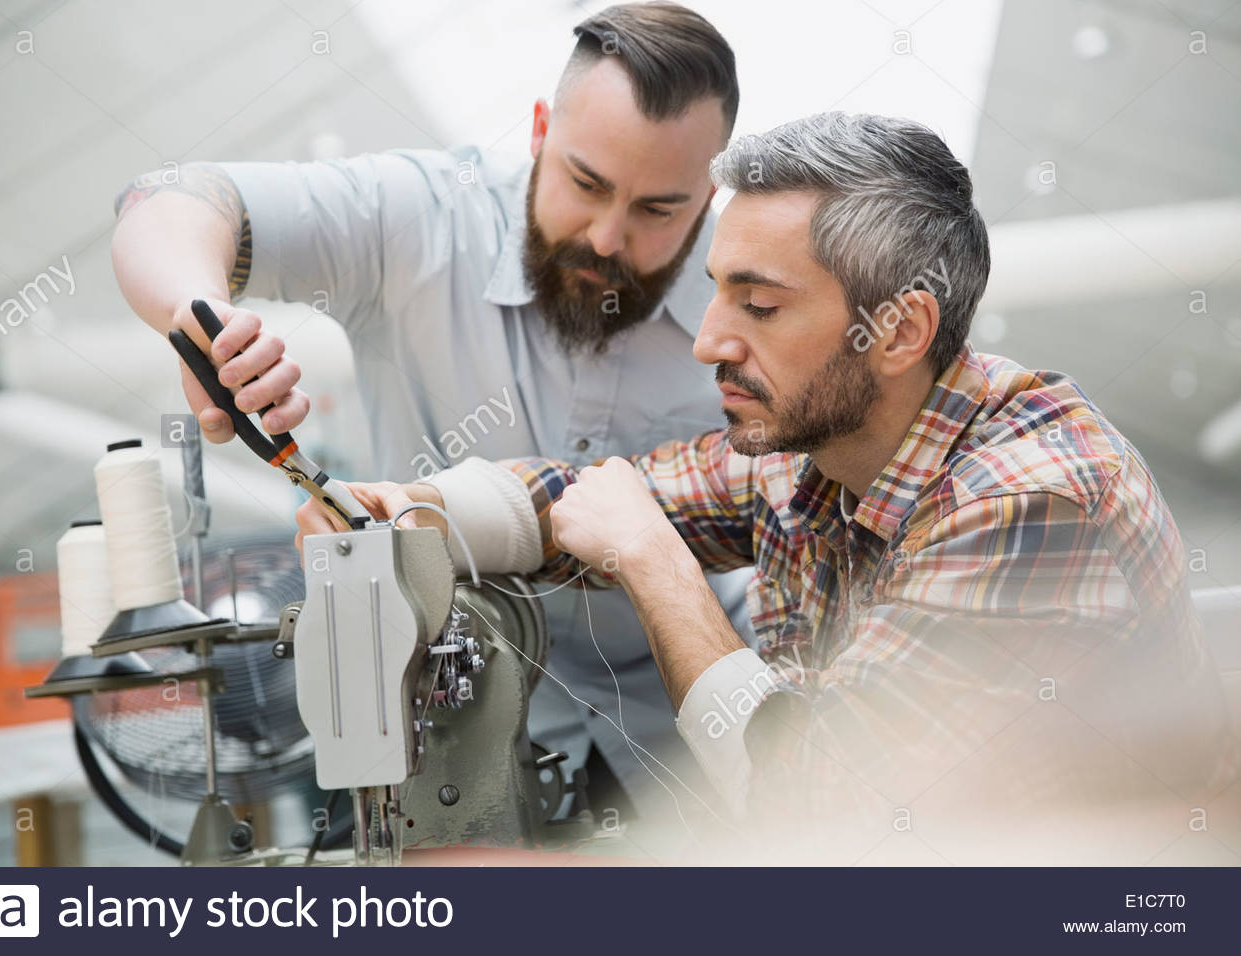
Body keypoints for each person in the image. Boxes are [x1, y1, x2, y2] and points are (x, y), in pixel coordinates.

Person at [300, 112, 1239, 862]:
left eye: (759, 304)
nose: (709, 338)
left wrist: (655, 565)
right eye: (715, 290)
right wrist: (405, 508)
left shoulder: (1028, 502)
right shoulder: (816, 448)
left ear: (901, 330)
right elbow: (593, 494)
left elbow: (827, 809)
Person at [110, 3, 752, 820]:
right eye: (584, 182)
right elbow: (166, 196)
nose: (605, 236)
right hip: (435, 729)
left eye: (659, 209)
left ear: (713, 186)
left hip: (684, 744)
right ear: (540, 129)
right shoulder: (419, 217)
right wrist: (198, 315)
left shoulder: (751, 298)